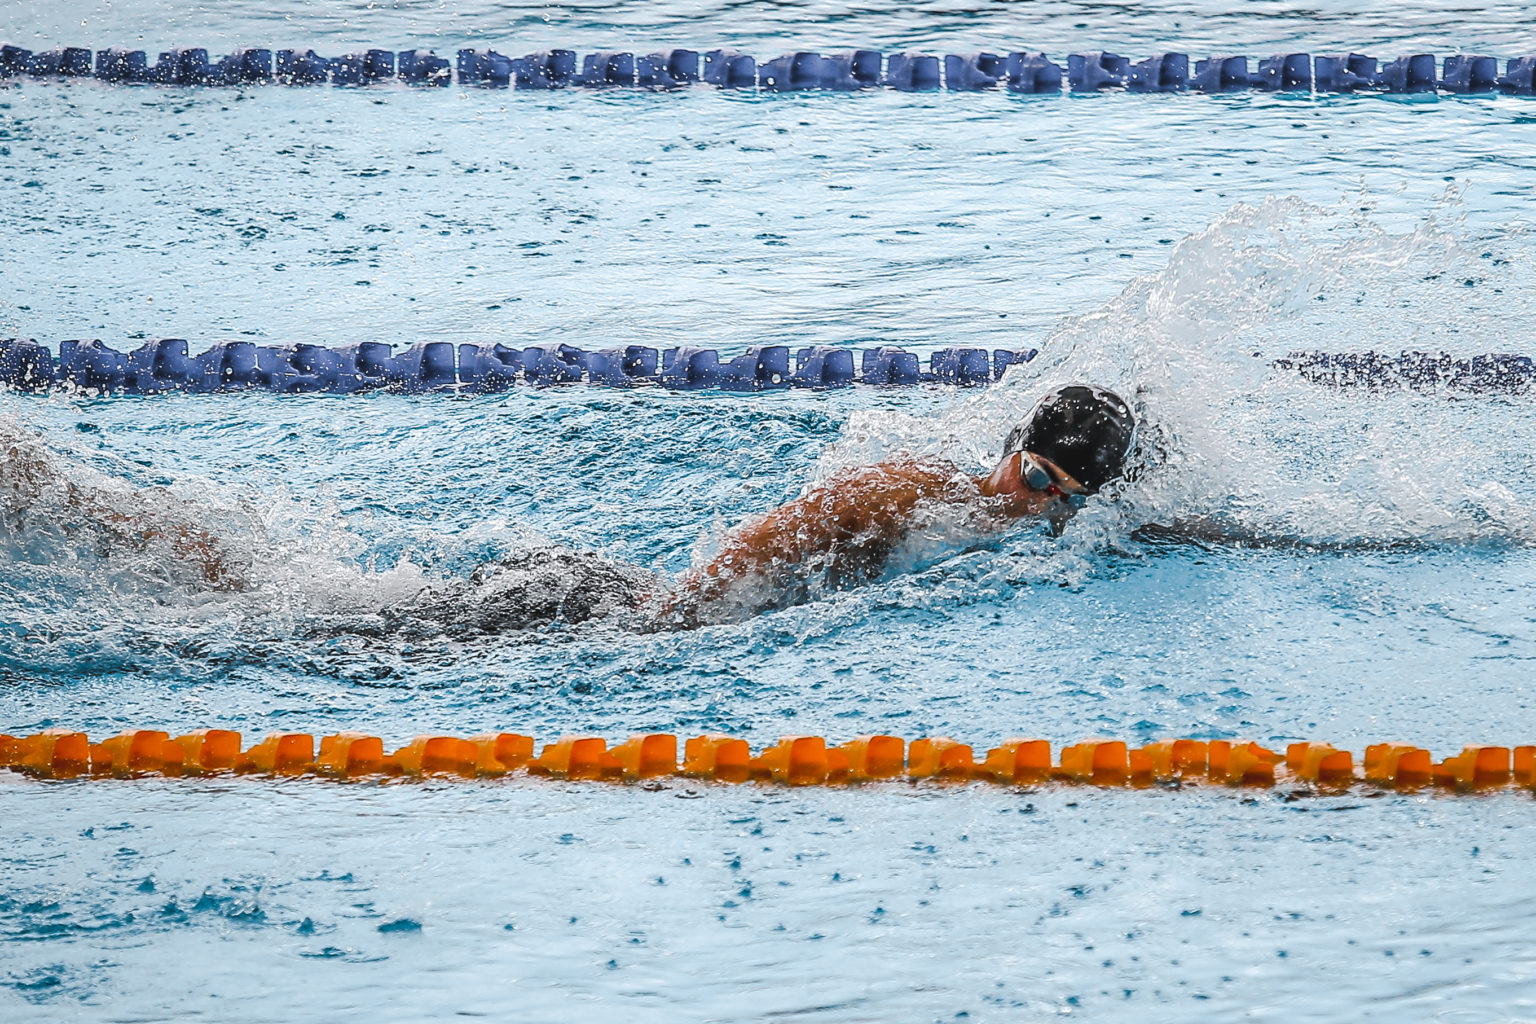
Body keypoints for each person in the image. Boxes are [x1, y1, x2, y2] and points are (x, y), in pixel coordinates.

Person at [655, 383, 1136, 627]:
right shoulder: (910, 492)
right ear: (1014, 447)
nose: (1039, 505)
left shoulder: (1054, 532)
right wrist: (673, 618)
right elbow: (768, 539)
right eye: (1036, 477)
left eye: (1065, 497)